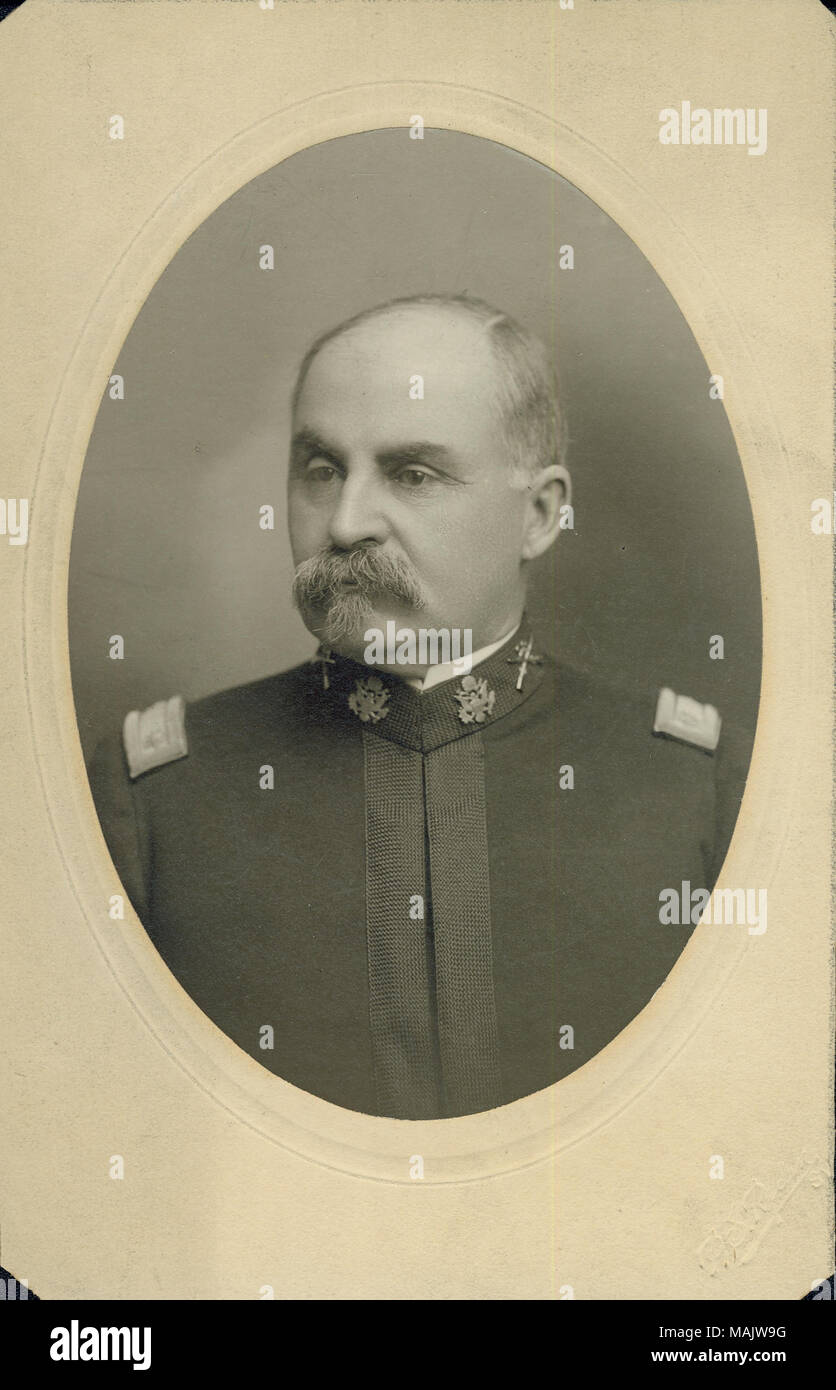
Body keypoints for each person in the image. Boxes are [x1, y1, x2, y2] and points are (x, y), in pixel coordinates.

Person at [88, 293, 745, 1120]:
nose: (348, 522)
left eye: (413, 475)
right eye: (322, 469)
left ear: (539, 516)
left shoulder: (699, 791)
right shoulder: (151, 799)